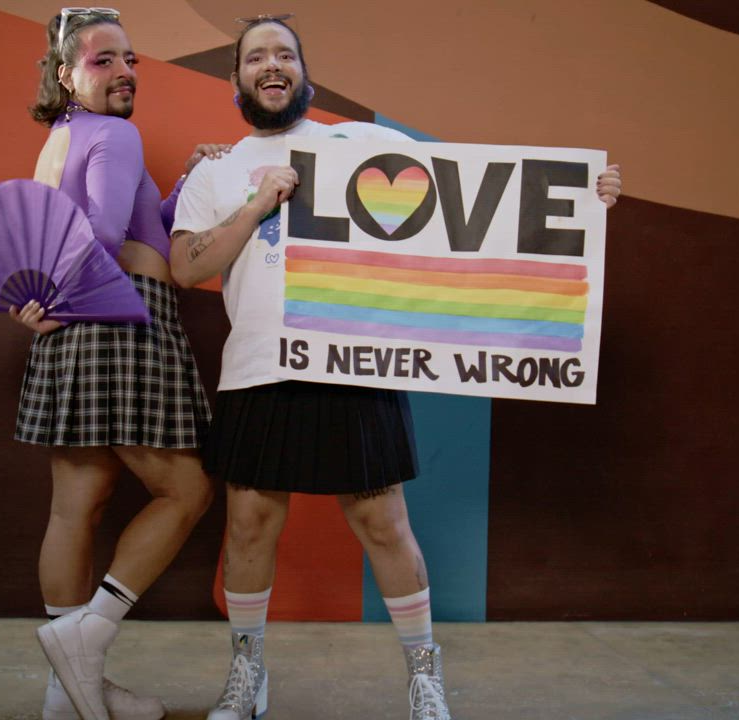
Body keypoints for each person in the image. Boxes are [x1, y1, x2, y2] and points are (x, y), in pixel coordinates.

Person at [170, 16, 622, 720]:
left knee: (381, 519)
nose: (271, 66)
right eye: (255, 56)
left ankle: (424, 677)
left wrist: (580, 198)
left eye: (284, 53)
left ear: (302, 70)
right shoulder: (214, 170)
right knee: (251, 521)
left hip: (350, 356)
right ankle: (247, 674)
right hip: (258, 364)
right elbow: (185, 265)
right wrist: (257, 202)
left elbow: (473, 197)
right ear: (236, 78)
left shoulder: (361, 144)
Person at [12, 8, 228, 720]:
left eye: (130, 59)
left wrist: (180, 187)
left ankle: (66, 696)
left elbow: (131, 227)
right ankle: (89, 637)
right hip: (122, 316)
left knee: (75, 504)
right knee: (188, 492)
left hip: (72, 324)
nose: (125, 71)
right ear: (67, 74)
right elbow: (107, 234)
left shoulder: (64, 138)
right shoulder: (116, 132)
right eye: (104, 61)